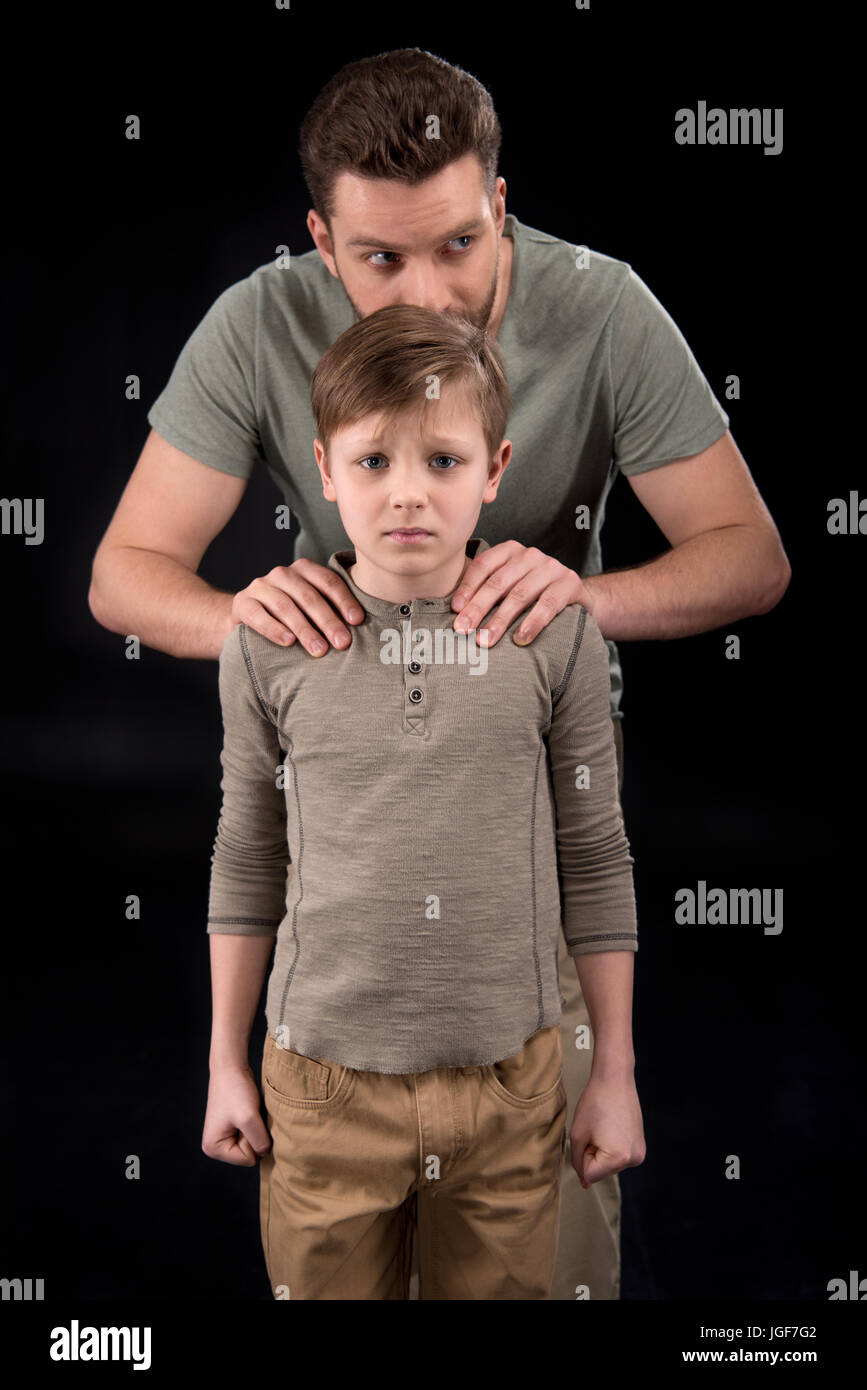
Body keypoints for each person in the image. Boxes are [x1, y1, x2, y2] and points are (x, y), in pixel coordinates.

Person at [88, 48, 790, 1300]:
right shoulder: (259, 319)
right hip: (342, 758)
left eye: (462, 244)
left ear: (502, 203)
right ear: (320, 239)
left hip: (537, 761)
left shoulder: (606, 307)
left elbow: (753, 556)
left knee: (550, 1224)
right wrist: (244, 613)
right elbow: (125, 570)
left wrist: (583, 596)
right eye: (383, 259)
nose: (434, 290)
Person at [204, 301, 642, 1299]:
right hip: (321, 1087)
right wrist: (227, 1063)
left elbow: (597, 856)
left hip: (510, 1084)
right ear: (323, 469)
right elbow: (245, 855)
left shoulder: (557, 637)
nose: (408, 495)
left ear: (495, 470)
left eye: (443, 462)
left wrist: (609, 1073)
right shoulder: (267, 642)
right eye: (373, 463)